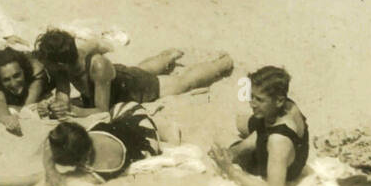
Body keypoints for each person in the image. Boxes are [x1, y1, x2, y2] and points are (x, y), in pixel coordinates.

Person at [0, 102, 163, 186]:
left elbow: (36, 179)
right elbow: (52, 138)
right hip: (129, 113)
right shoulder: (83, 138)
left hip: (145, 136)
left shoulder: (95, 174)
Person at [34, 29, 232, 114]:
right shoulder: (64, 63)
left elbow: (102, 110)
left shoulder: (96, 66)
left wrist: (74, 110)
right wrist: (56, 106)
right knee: (139, 70)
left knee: (183, 83)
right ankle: (167, 57)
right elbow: (63, 93)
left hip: (132, 88)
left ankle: (222, 64)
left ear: (60, 63)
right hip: (117, 77)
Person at [211, 65, 309, 186]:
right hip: (274, 130)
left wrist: (230, 171)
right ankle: (238, 148)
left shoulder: (278, 142)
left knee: (221, 137)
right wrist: (236, 151)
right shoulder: (288, 105)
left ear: (279, 101)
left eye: (259, 100)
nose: (252, 103)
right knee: (240, 122)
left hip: (279, 159)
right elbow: (263, 132)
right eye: (252, 96)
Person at [0, 47, 53, 135]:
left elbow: (27, 107)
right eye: (6, 80)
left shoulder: (36, 72)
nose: (14, 83)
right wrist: (8, 119)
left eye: (17, 75)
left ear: (24, 70)